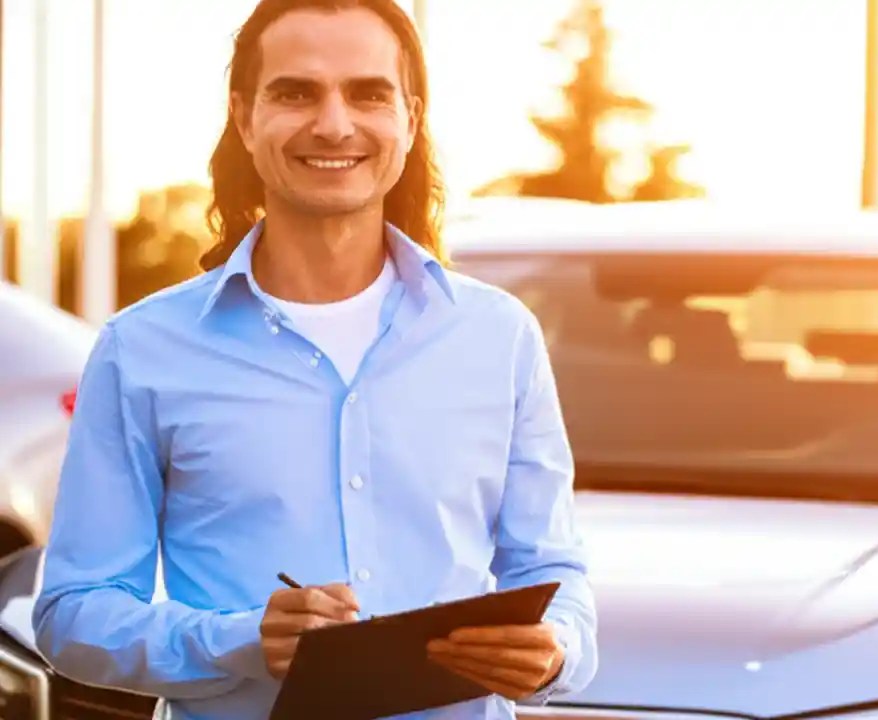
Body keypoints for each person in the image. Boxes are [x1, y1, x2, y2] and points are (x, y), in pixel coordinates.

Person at [32, 1, 598, 718]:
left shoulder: (498, 337)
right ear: (244, 118)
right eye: (296, 92)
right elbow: (71, 613)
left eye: (367, 92)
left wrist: (556, 648)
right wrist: (236, 640)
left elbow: (554, 570)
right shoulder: (141, 350)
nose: (334, 124)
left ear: (411, 118)